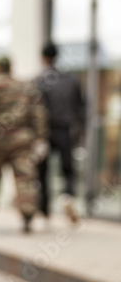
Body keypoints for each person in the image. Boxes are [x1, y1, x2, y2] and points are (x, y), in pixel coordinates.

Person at [0, 56, 48, 233]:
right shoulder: (24, 87)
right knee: (25, 179)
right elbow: (38, 114)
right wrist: (40, 138)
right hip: (21, 141)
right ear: (11, 68)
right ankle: (27, 214)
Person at [36, 42, 85, 224]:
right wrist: (80, 131)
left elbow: (35, 109)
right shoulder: (71, 79)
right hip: (66, 130)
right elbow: (81, 107)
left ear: (43, 58)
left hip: (46, 133)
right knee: (68, 170)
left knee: (43, 173)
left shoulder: (40, 80)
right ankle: (68, 197)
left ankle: (44, 213)